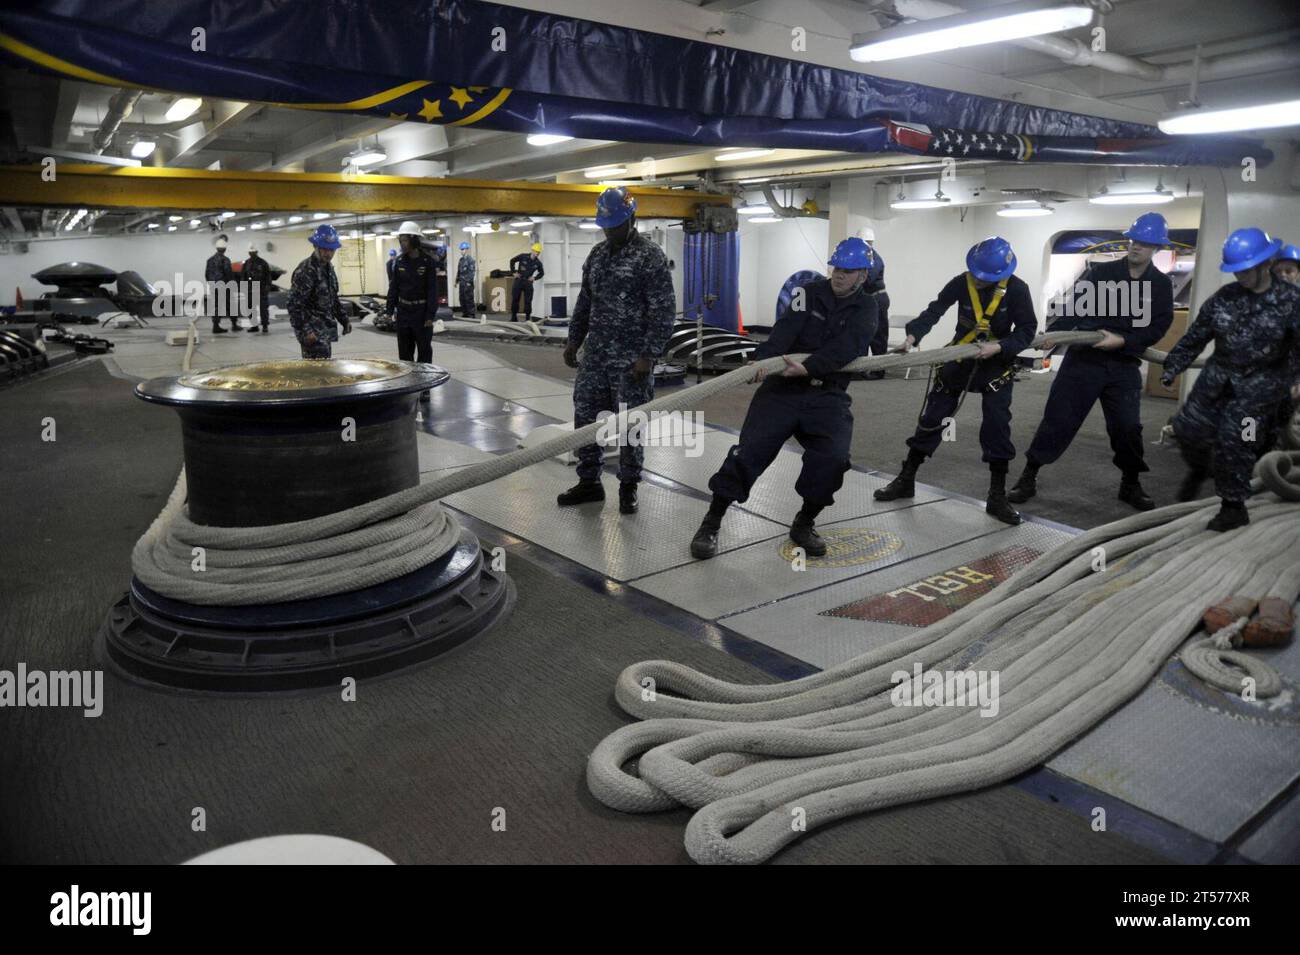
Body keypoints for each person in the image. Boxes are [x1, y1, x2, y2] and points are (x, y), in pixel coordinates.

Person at [690, 238, 878, 559]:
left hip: (827, 394)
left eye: (847, 272)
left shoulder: (868, 307)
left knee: (833, 459)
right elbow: (784, 331)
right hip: (782, 390)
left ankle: (804, 523)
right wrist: (762, 361)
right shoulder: (807, 293)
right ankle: (712, 520)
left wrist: (809, 367)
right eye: (836, 268)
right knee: (748, 453)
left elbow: (849, 347)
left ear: (862, 276)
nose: (839, 275)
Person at [1007, 212, 1175, 511]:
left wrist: (1123, 341)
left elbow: (1158, 327)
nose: (1136, 246)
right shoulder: (1102, 273)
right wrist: (1055, 334)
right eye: (1134, 240)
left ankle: (1131, 483)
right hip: (1084, 360)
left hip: (1123, 365)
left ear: (1157, 248)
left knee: (1128, 427)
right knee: (1058, 420)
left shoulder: (1160, 285)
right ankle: (1029, 476)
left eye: (1145, 243)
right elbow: (1075, 308)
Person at [874, 236, 1038, 525]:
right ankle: (907, 478)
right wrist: (912, 337)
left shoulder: (1017, 289)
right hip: (960, 358)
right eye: (977, 274)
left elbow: (1027, 329)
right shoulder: (962, 282)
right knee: (933, 417)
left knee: (997, 426)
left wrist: (1000, 347)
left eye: (986, 277)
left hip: (996, 362)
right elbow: (935, 310)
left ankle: (997, 495)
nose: (979, 280)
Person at [1160, 227, 1300, 532]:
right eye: (1236, 270)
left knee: (1238, 440)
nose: (1240, 276)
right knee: (1186, 429)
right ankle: (1203, 469)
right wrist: (1173, 367)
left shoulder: (1291, 300)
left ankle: (1233, 507)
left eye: (1246, 269)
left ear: (1265, 264)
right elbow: (1196, 336)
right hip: (1217, 379)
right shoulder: (1225, 298)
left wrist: (1295, 380)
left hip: (1261, 388)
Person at [558, 187, 675, 515]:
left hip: (631, 361)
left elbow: (663, 310)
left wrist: (648, 355)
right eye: (605, 226)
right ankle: (589, 482)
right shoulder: (597, 255)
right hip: (595, 356)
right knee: (585, 418)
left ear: (631, 218)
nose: (609, 231)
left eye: (615, 225)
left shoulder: (649, 256)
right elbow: (585, 300)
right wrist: (574, 340)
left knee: (630, 425)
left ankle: (628, 486)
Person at [386, 221, 438, 400]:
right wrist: (389, 311)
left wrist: (430, 314)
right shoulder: (399, 262)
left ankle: (424, 387)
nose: (402, 244)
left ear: (414, 240)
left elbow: (433, 290)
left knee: (424, 352)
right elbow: (393, 288)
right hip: (404, 313)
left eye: (405, 240)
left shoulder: (428, 262)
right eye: (400, 240)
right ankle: (408, 386)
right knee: (405, 353)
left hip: (421, 313)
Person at [287, 224, 351, 359]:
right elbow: (294, 305)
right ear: (316, 246)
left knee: (325, 365)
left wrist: (344, 320)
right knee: (316, 369)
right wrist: (306, 331)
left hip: (324, 330)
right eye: (325, 249)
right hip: (312, 333)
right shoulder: (306, 270)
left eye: (332, 250)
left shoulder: (328, 269)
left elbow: (333, 299)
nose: (329, 253)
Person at [204, 234, 237, 333]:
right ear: (225, 249)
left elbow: (207, 274)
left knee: (216, 306)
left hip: (214, 287)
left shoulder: (210, 260)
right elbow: (229, 274)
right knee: (230, 305)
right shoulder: (225, 260)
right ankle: (234, 324)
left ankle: (216, 326)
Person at [241, 243, 273, 334]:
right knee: (251, 308)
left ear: (256, 252)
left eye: (253, 252)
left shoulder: (263, 263)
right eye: (250, 252)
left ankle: (265, 326)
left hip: (261, 289)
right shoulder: (246, 263)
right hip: (250, 290)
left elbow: (268, 276)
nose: (251, 254)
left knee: (263, 309)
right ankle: (254, 326)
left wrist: (267, 287)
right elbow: (243, 276)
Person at [509, 242, 545, 321]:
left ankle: (528, 319)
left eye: (539, 252)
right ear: (532, 250)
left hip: (528, 282)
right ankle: (513, 317)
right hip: (519, 280)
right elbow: (512, 261)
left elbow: (542, 273)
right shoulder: (523, 256)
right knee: (515, 299)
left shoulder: (538, 263)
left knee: (528, 301)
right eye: (536, 251)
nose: (537, 253)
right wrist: (513, 272)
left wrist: (534, 278)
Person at [456, 241, 476, 318]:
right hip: (462, 282)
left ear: (467, 250)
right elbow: (459, 271)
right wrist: (456, 281)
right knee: (462, 298)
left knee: (469, 298)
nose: (461, 251)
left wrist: (469, 282)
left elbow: (472, 272)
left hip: (468, 283)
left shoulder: (470, 260)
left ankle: (471, 313)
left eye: (463, 249)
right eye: (461, 249)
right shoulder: (461, 260)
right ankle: (465, 312)